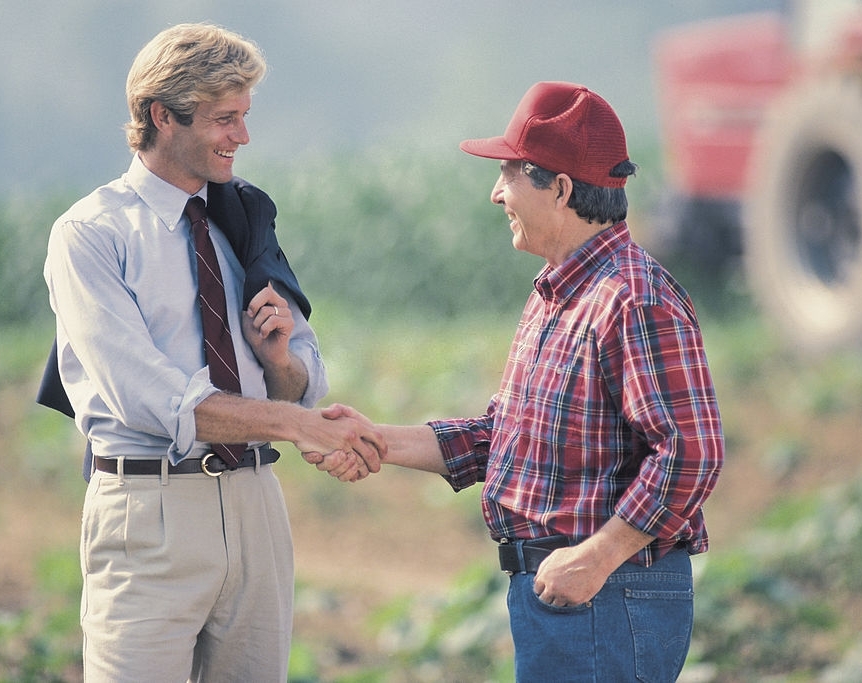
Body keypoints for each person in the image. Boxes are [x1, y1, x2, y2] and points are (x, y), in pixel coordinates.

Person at [312, 81, 724, 682]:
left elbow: (691, 452)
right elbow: (501, 438)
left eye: (509, 174)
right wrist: (376, 438)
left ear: (559, 188)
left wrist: (596, 557)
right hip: (566, 593)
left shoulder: (632, 299)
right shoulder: (558, 294)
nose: (495, 193)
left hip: (606, 595)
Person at [43, 23, 383, 682]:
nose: (243, 137)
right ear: (161, 117)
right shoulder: (91, 234)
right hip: (150, 512)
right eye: (225, 119)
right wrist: (294, 424)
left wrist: (281, 362)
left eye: (245, 116)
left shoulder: (247, 213)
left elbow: (301, 379)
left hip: (257, 505)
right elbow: (148, 396)